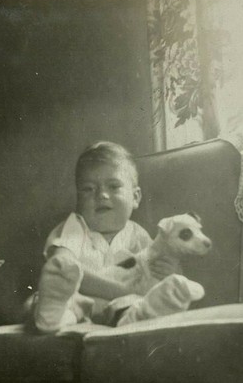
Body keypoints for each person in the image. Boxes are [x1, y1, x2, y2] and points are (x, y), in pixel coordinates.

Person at [32, 141, 204, 332]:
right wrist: (128, 291)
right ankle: (53, 316)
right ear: (78, 198)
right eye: (88, 189)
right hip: (76, 302)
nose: (102, 195)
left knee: (134, 303)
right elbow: (63, 268)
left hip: (120, 306)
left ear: (136, 197)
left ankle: (141, 316)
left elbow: (155, 276)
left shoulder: (139, 236)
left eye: (114, 186)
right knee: (39, 301)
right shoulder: (74, 228)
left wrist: (171, 271)